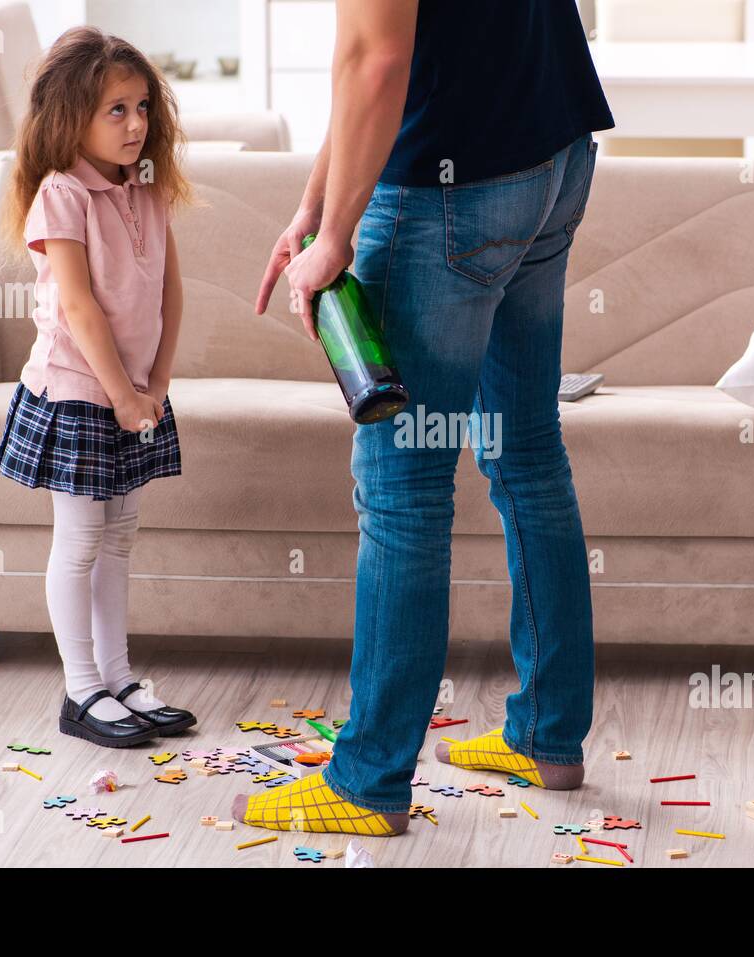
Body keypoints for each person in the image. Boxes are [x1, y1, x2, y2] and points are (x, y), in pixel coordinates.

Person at [235, 0, 614, 834]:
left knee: (403, 489)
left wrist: (335, 233)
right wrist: (316, 207)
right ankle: (549, 734)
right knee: (528, 451)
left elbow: (376, 63)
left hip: (453, 191)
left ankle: (368, 777)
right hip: (550, 156)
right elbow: (383, 56)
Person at [0, 27, 198, 747]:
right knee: (80, 540)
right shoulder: (61, 195)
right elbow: (79, 307)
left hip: (136, 391)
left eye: (142, 107)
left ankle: (119, 676)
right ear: (70, 115)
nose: (136, 124)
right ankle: (80, 690)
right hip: (81, 391)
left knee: (121, 537)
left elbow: (172, 293)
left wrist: (156, 384)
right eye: (116, 109)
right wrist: (121, 394)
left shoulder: (149, 189)